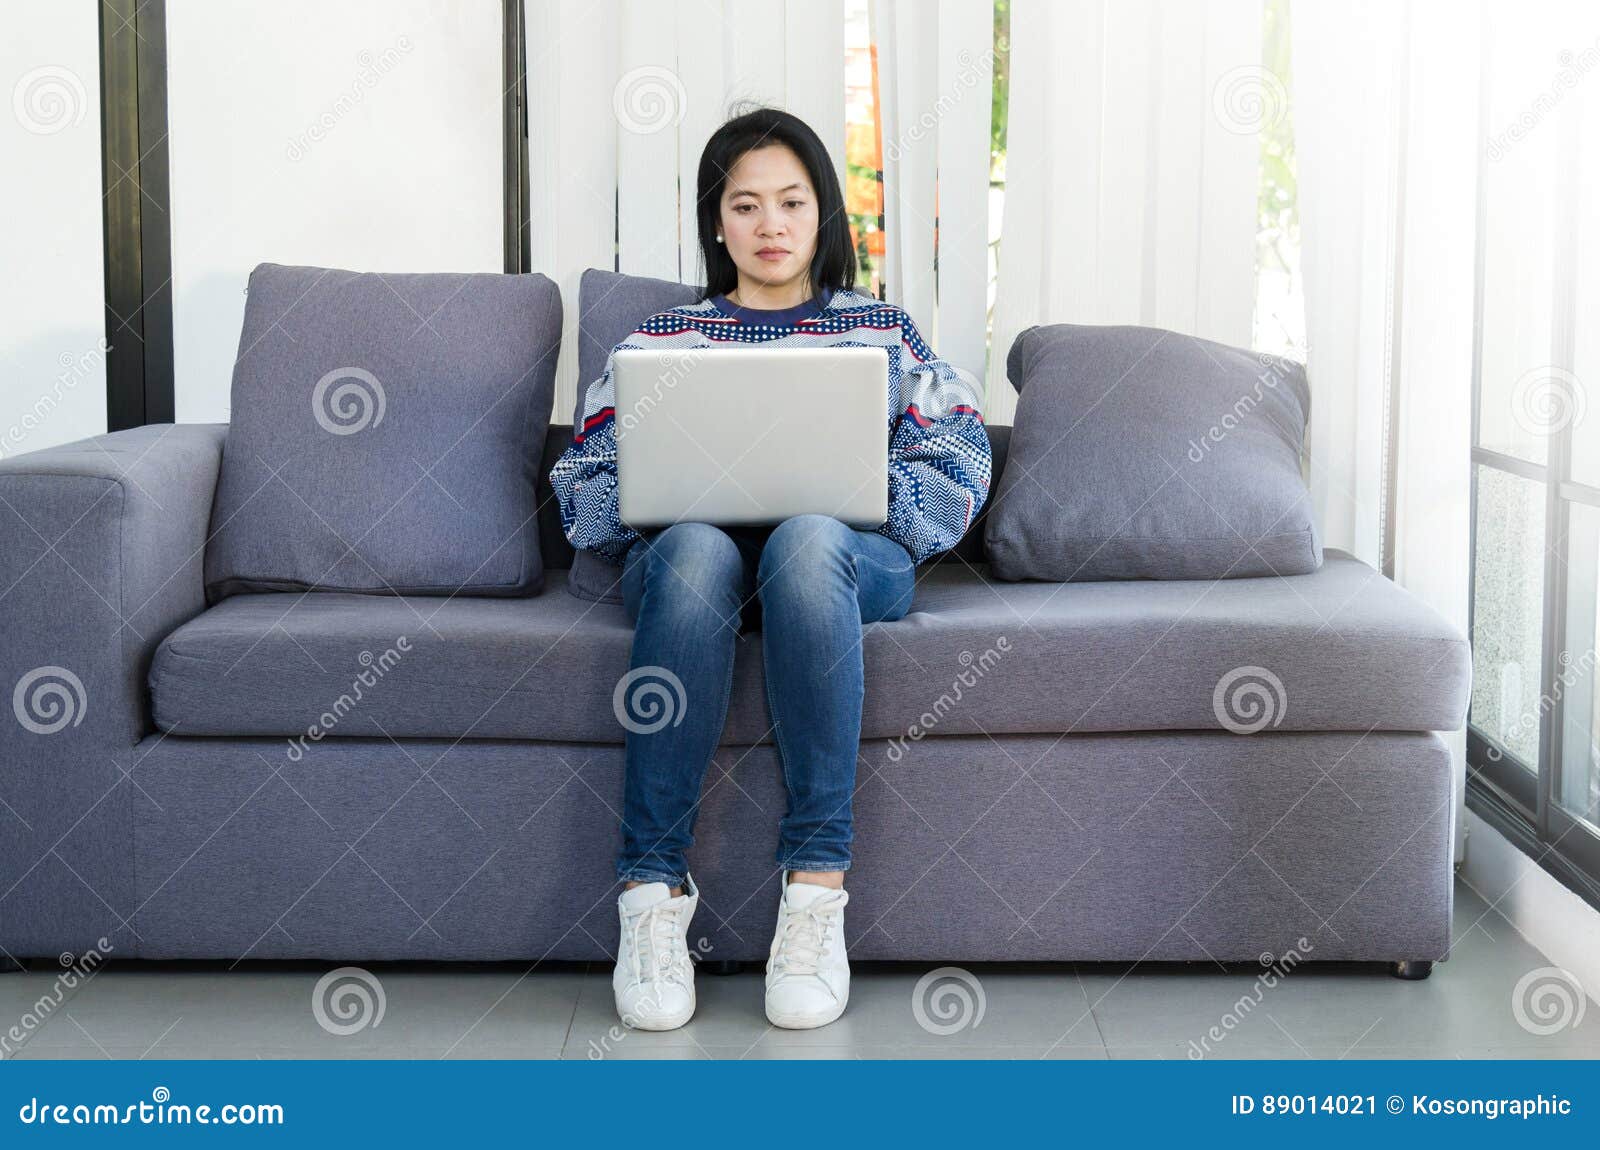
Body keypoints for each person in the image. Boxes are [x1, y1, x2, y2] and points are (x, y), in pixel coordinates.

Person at [548, 105, 991, 1031]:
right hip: (690, 573)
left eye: (791, 202)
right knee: (703, 550)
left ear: (821, 213)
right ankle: (650, 900)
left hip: (842, 563)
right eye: (746, 206)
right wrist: (653, 512)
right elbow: (583, 477)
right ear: (718, 222)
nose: (771, 225)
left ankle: (816, 894)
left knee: (807, 539)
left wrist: (877, 511)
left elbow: (960, 453)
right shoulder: (658, 343)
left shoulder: (881, 330)